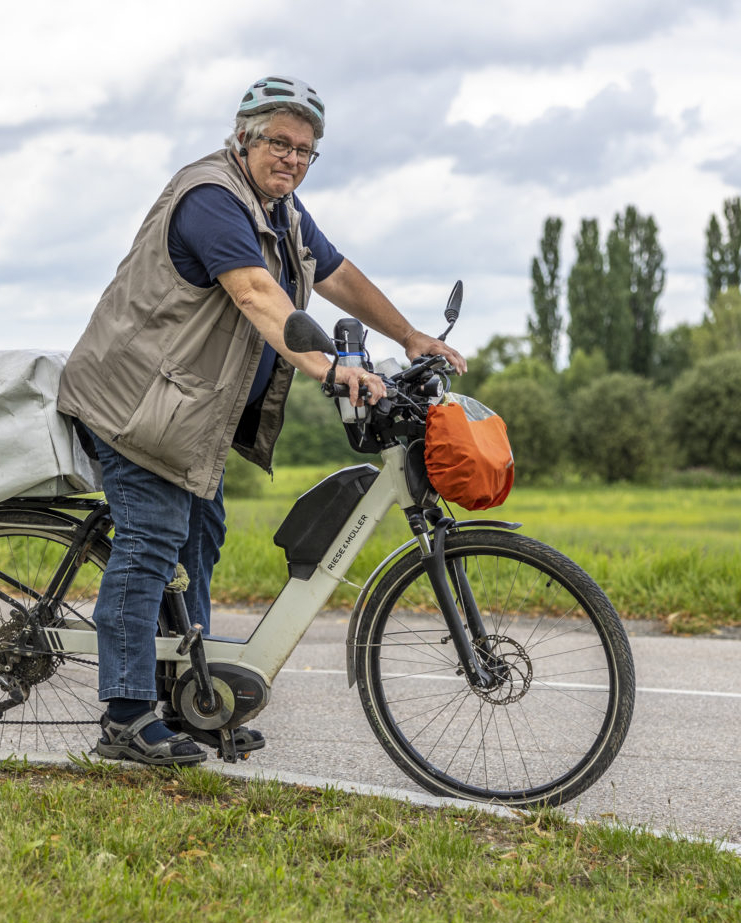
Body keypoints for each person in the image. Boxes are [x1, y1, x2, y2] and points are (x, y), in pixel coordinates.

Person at [57, 75, 467, 765]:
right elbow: (253, 291)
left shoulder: (284, 211)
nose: (294, 159)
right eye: (281, 142)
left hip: (185, 417)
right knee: (154, 539)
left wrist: (410, 336)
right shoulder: (212, 198)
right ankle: (126, 717)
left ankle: (192, 699)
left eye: (307, 150)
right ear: (245, 137)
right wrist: (327, 368)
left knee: (199, 541)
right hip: (135, 406)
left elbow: (335, 273)